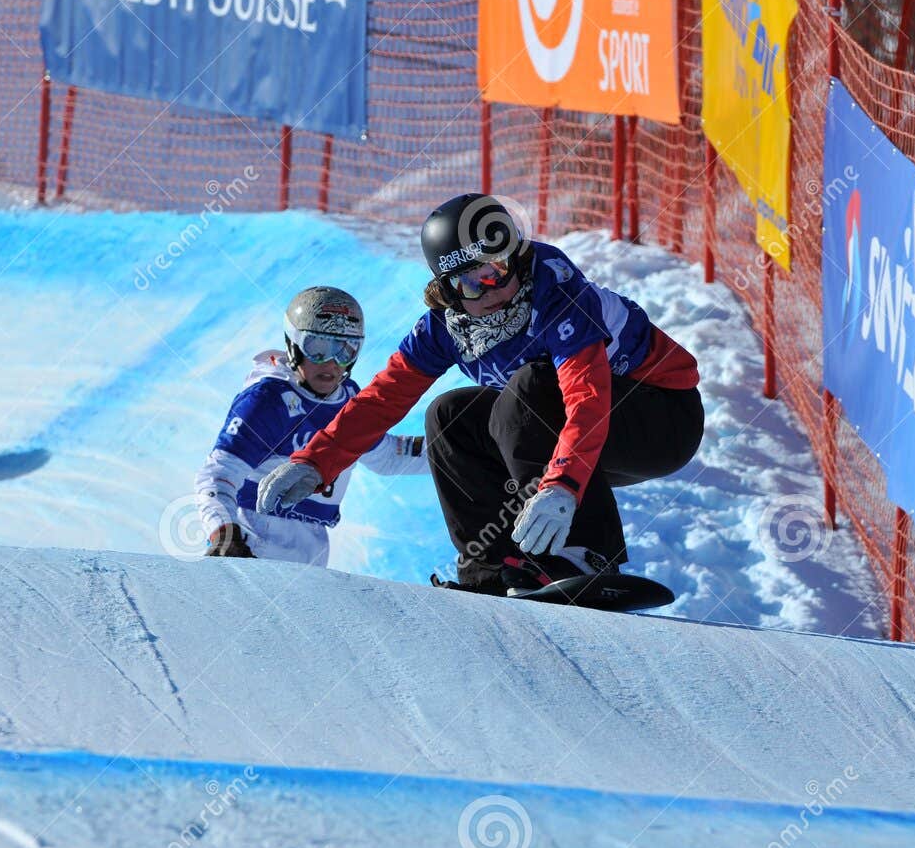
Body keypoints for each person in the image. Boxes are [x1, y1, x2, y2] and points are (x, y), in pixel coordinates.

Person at [256, 194, 704, 596]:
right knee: (449, 415)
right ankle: (489, 569)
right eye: (473, 282)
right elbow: (383, 399)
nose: (496, 290)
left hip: (661, 418)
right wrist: (315, 461)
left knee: (529, 387)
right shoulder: (443, 328)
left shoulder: (555, 288)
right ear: (448, 289)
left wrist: (562, 486)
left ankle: (582, 553)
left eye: (499, 270)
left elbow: (585, 395)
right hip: (587, 432)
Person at [196, 287, 428, 565]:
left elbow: (387, 457)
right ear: (293, 344)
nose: (331, 362)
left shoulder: (348, 400)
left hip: (311, 548)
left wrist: (463, 451)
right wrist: (223, 532)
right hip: (253, 540)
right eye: (317, 347)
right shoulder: (269, 401)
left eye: (345, 349)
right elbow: (217, 475)